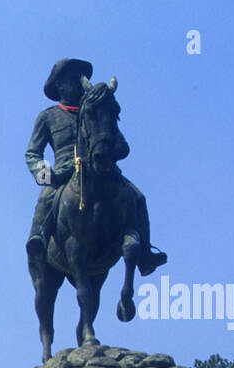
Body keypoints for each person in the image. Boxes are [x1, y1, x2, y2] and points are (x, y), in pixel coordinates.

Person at [25, 58, 166, 276]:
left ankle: (145, 256)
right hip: (64, 174)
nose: (79, 83)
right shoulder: (48, 116)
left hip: (102, 168)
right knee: (46, 198)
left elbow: (122, 145)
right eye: (73, 78)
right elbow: (33, 153)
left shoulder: (97, 110)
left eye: (82, 78)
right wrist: (46, 175)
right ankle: (39, 239)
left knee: (138, 198)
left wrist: (108, 151)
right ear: (60, 85)